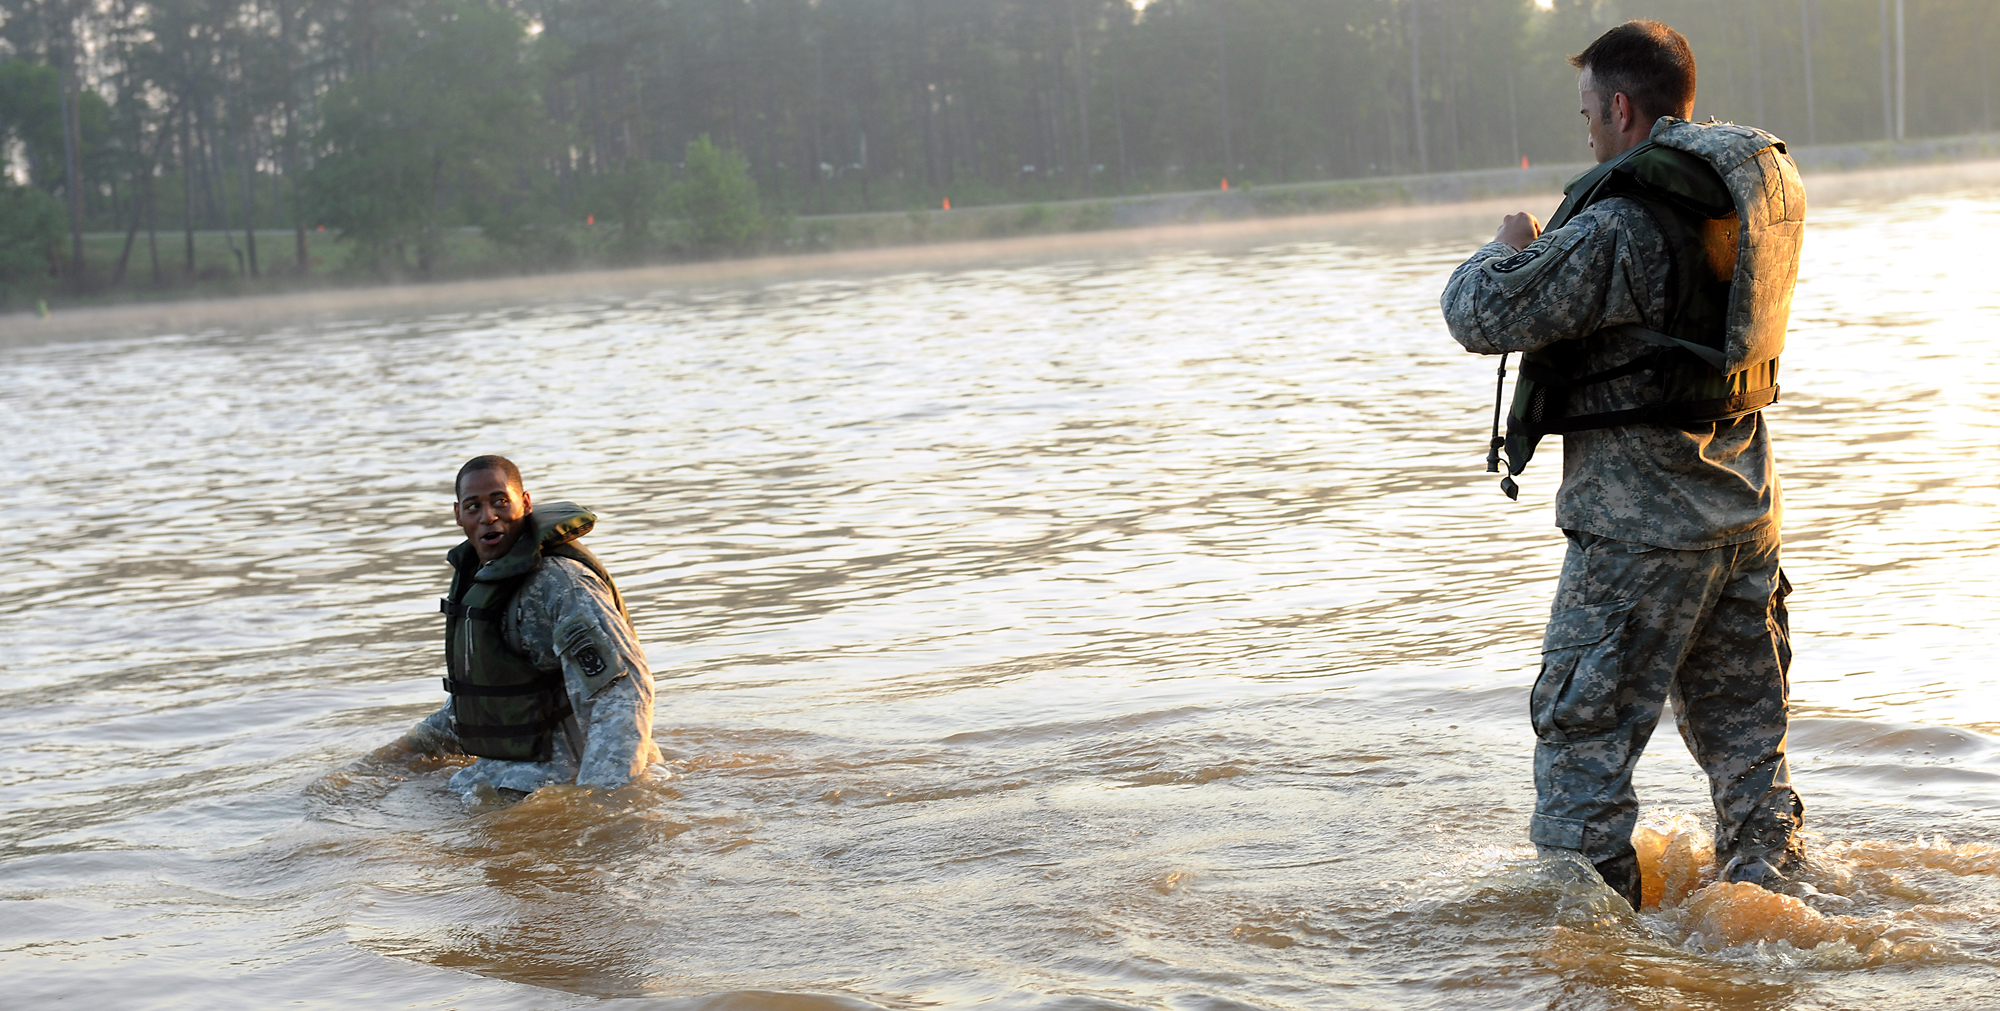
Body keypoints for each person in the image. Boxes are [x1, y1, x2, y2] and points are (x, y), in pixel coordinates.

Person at [1439, 20, 1807, 909]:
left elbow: (1480, 313)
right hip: (1746, 514)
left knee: (1579, 748)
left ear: (1618, 107)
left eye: (1588, 118)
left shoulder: (1622, 223)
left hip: (1638, 535)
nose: (1590, 136)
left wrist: (1508, 244)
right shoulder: (1752, 193)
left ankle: (1591, 955)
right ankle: (1773, 922)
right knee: (1751, 755)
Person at [400, 454, 662, 795]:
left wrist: (603, 804)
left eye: (499, 501)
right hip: (506, 775)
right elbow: (483, 702)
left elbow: (622, 695)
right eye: (473, 506)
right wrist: (395, 756)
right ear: (458, 515)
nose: (489, 516)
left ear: (524, 503)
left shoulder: (562, 584)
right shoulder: (485, 584)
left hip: (569, 777)